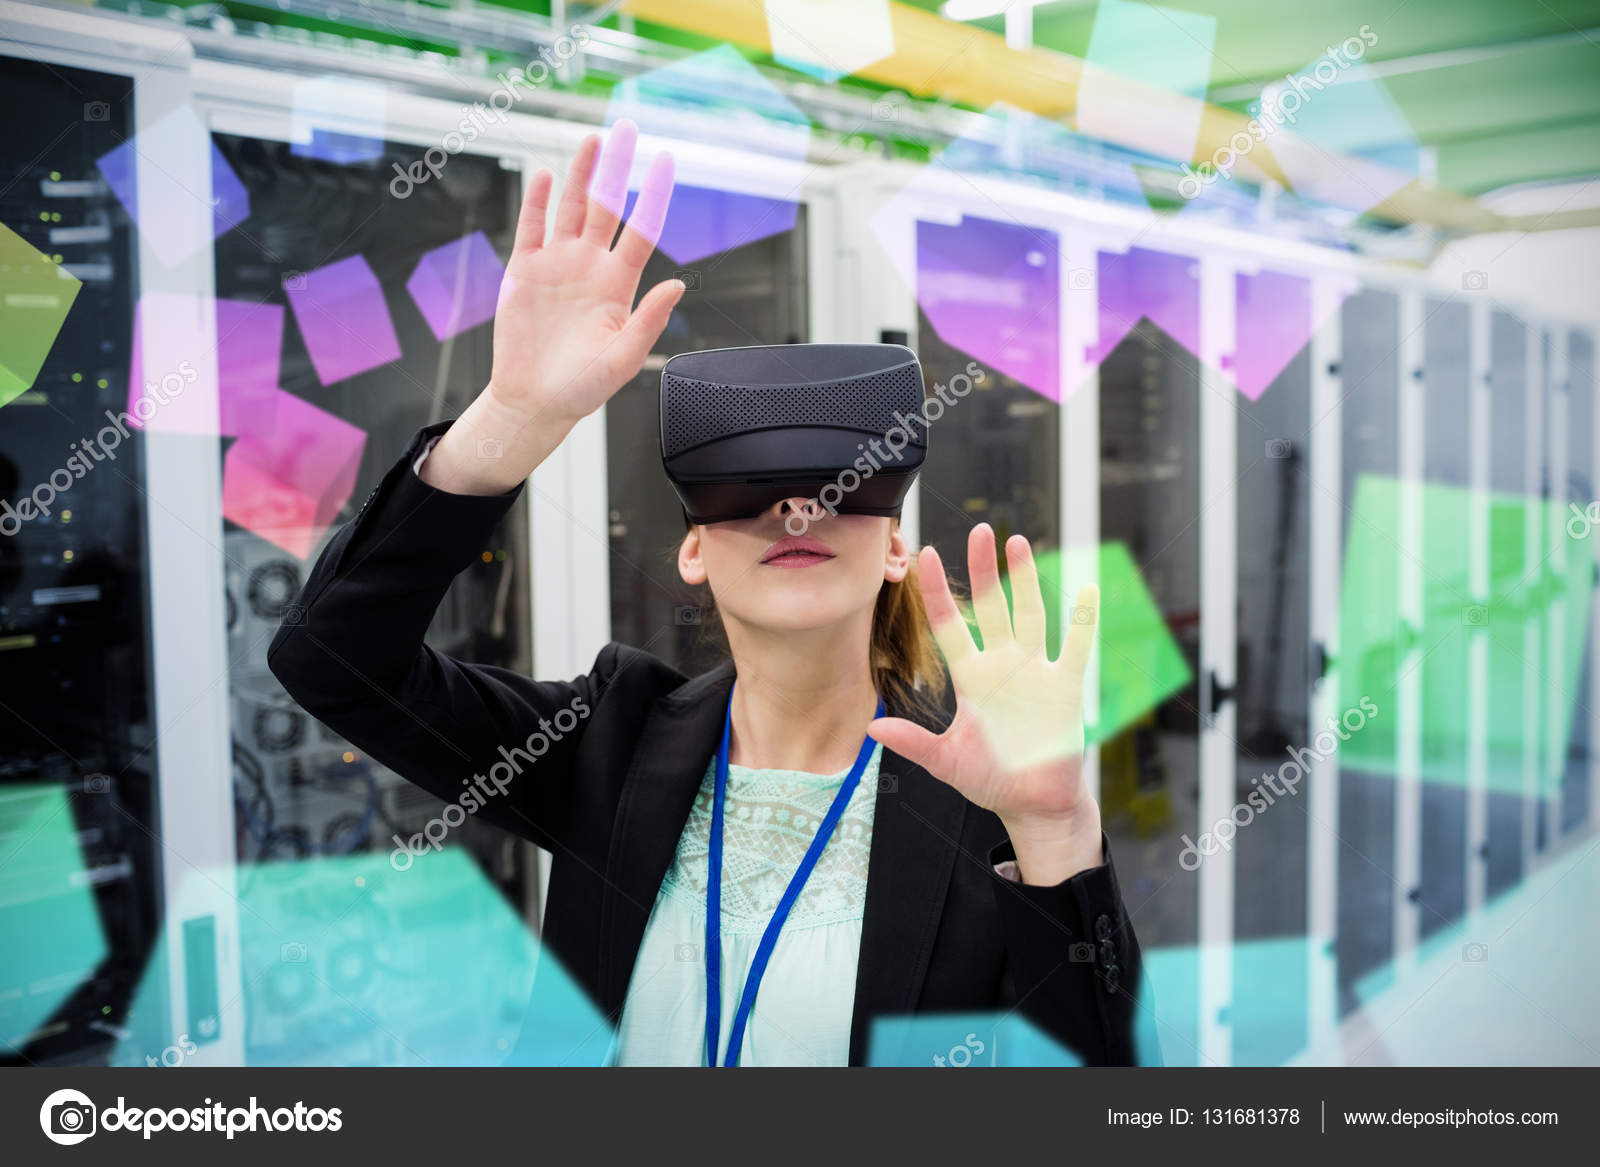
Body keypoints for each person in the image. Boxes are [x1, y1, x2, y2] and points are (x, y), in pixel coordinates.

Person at [269, 119, 1150, 1067]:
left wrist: (1053, 829)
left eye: (840, 491)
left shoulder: (978, 795)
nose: (798, 512)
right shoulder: (610, 743)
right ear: (691, 551)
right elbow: (333, 659)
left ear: (896, 547)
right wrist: (515, 417)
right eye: (747, 496)